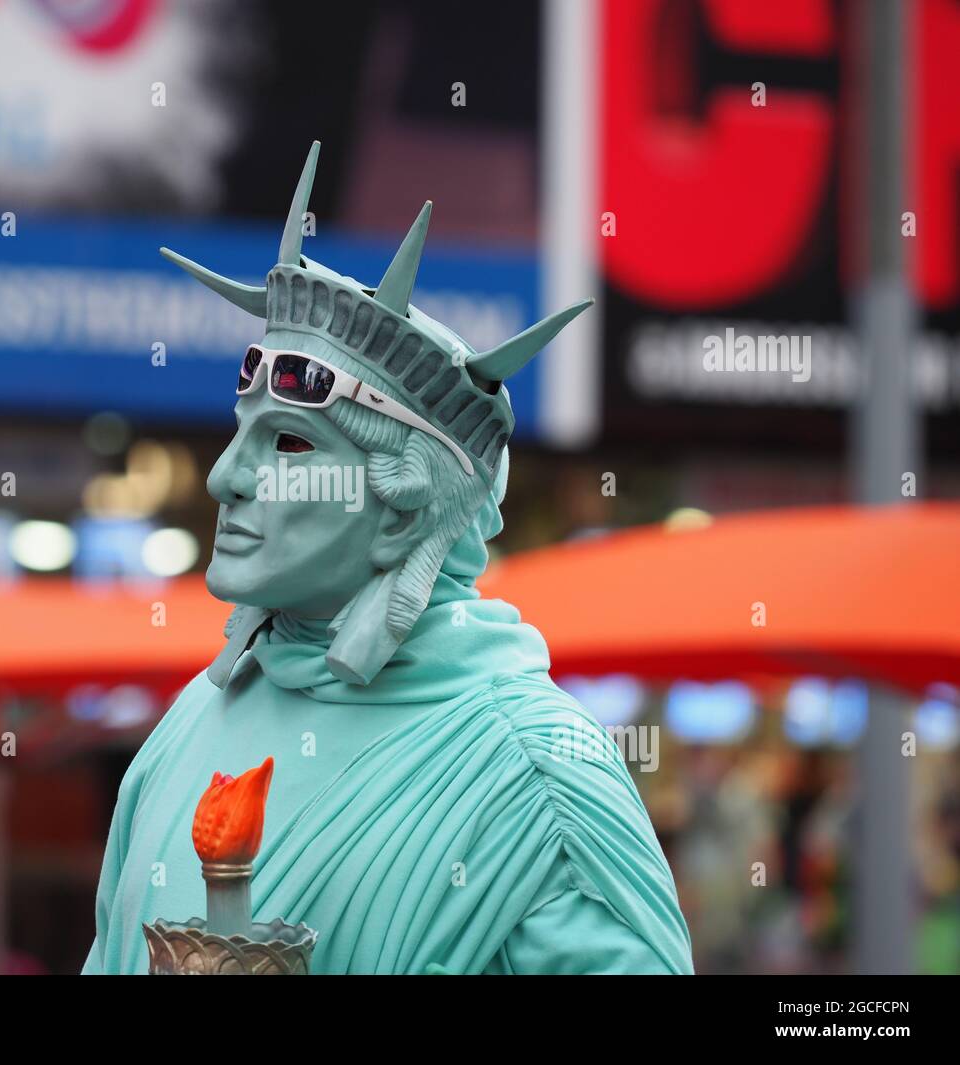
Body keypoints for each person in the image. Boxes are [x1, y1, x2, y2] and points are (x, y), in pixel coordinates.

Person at [83, 143, 693, 974]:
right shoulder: (189, 721)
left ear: (406, 500)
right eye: (241, 429)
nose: (227, 475)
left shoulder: (540, 777)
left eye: (290, 442)